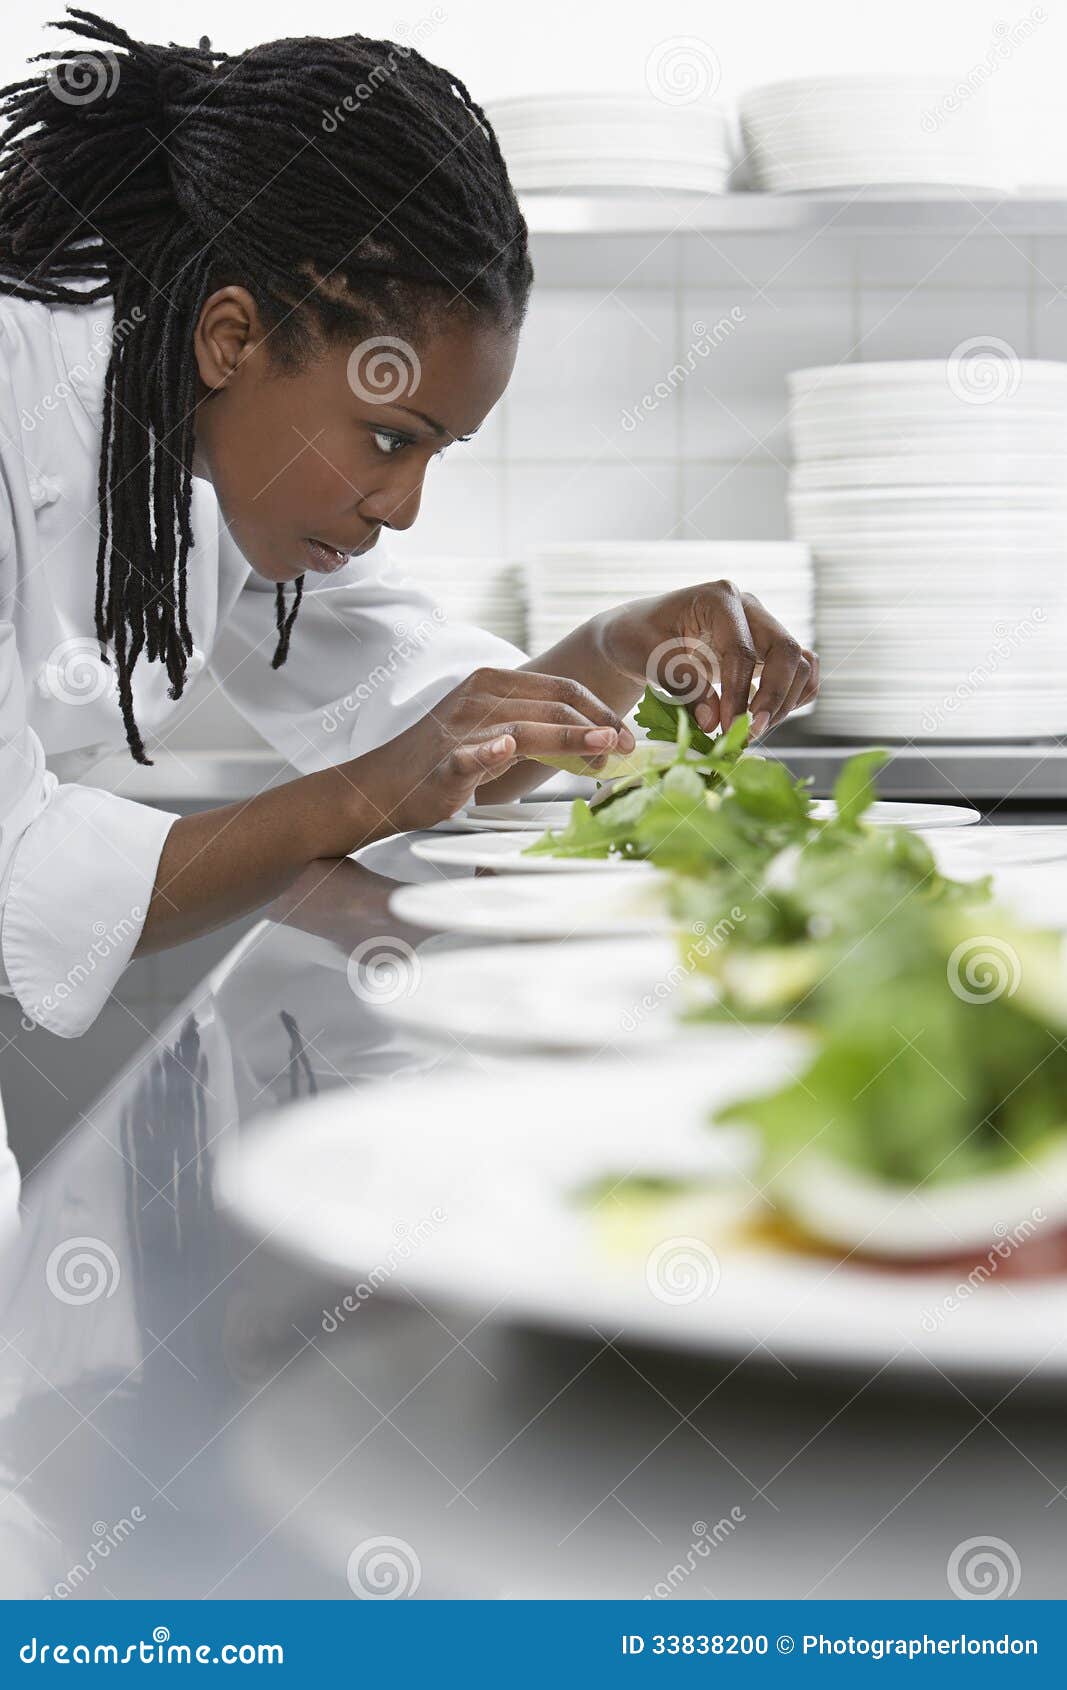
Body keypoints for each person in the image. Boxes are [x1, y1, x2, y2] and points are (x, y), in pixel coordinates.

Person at [0, 10, 817, 1057]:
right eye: (389, 436)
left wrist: (624, 641)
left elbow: (429, 726)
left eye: (436, 450)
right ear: (232, 335)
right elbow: (16, 872)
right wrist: (359, 795)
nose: (403, 506)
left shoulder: (207, 438)